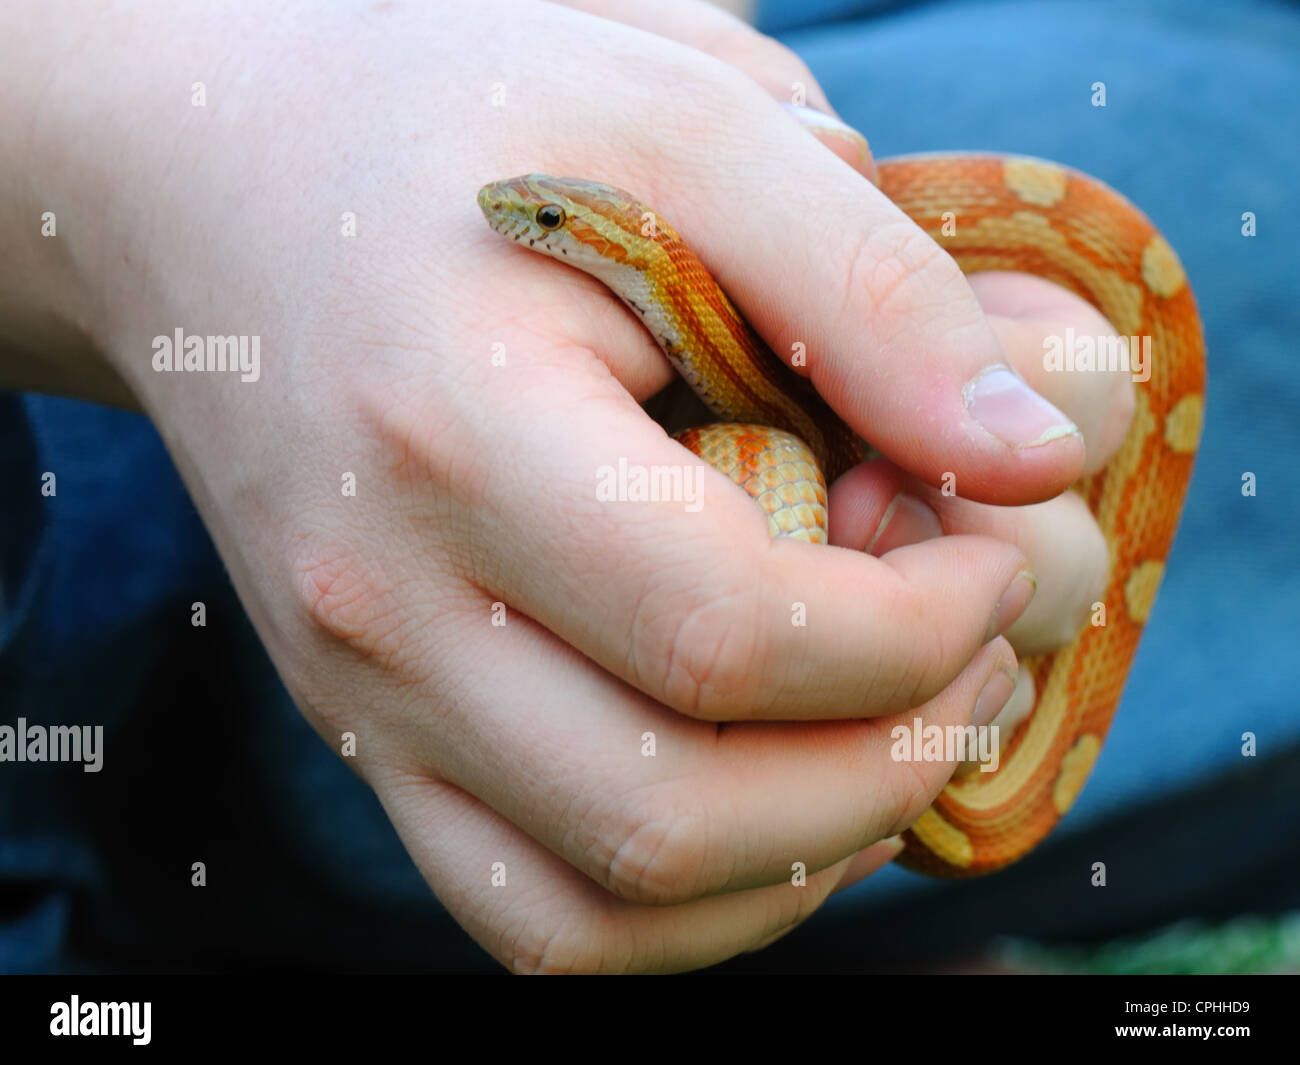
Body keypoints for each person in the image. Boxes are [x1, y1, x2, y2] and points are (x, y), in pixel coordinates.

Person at [0, 0, 1273, 975]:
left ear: (620, 253)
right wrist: (161, 186)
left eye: (552, 226)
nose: (519, 219)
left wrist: (676, 61)